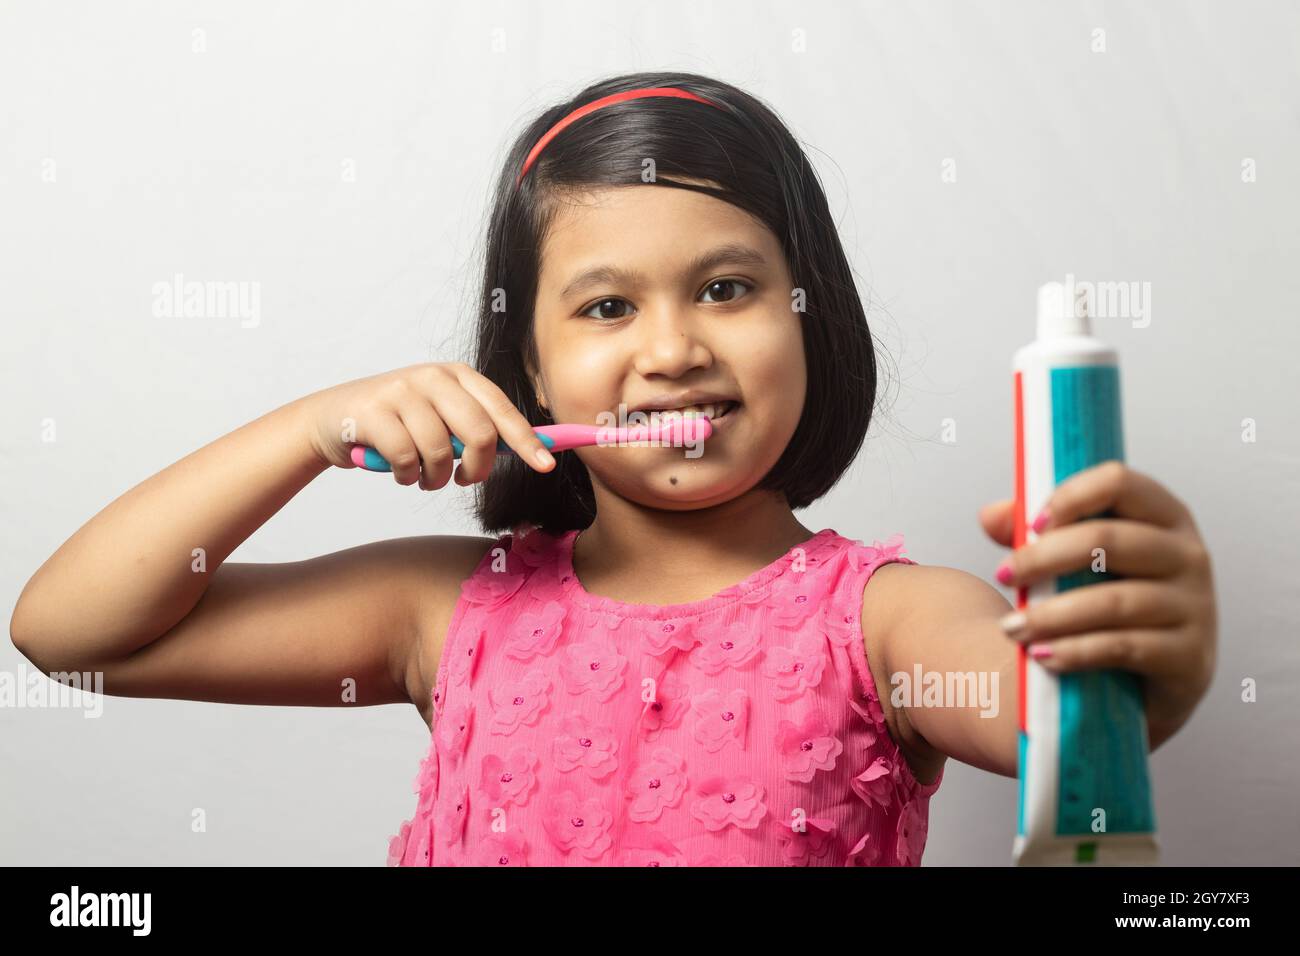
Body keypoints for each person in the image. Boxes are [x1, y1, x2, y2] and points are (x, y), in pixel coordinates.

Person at [10, 74, 1218, 867]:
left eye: (727, 288)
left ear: (812, 321)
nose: (672, 349)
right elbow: (73, 632)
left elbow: (1057, 726)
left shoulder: (890, 624)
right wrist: (308, 429)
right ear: (526, 368)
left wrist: (1143, 665)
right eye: (603, 306)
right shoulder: (447, 611)